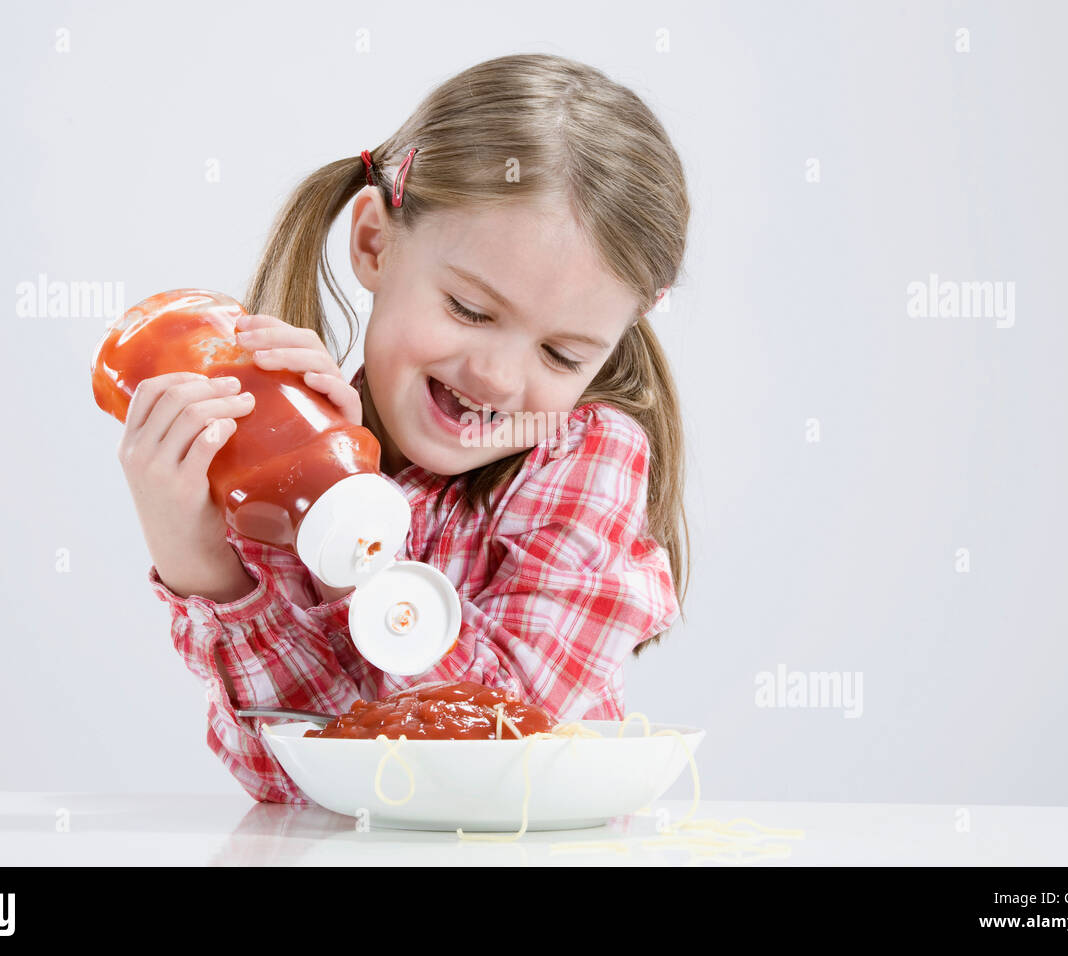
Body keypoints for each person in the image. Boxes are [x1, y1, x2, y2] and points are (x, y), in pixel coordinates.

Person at [117, 53, 692, 802]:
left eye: (559, 352)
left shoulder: (587, 458)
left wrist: (349, 542)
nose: (497, 377)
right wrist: (203, 564)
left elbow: (496, 745)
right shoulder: (293, 455)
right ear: (375, 245)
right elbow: (286, 778)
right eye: (471, 311)